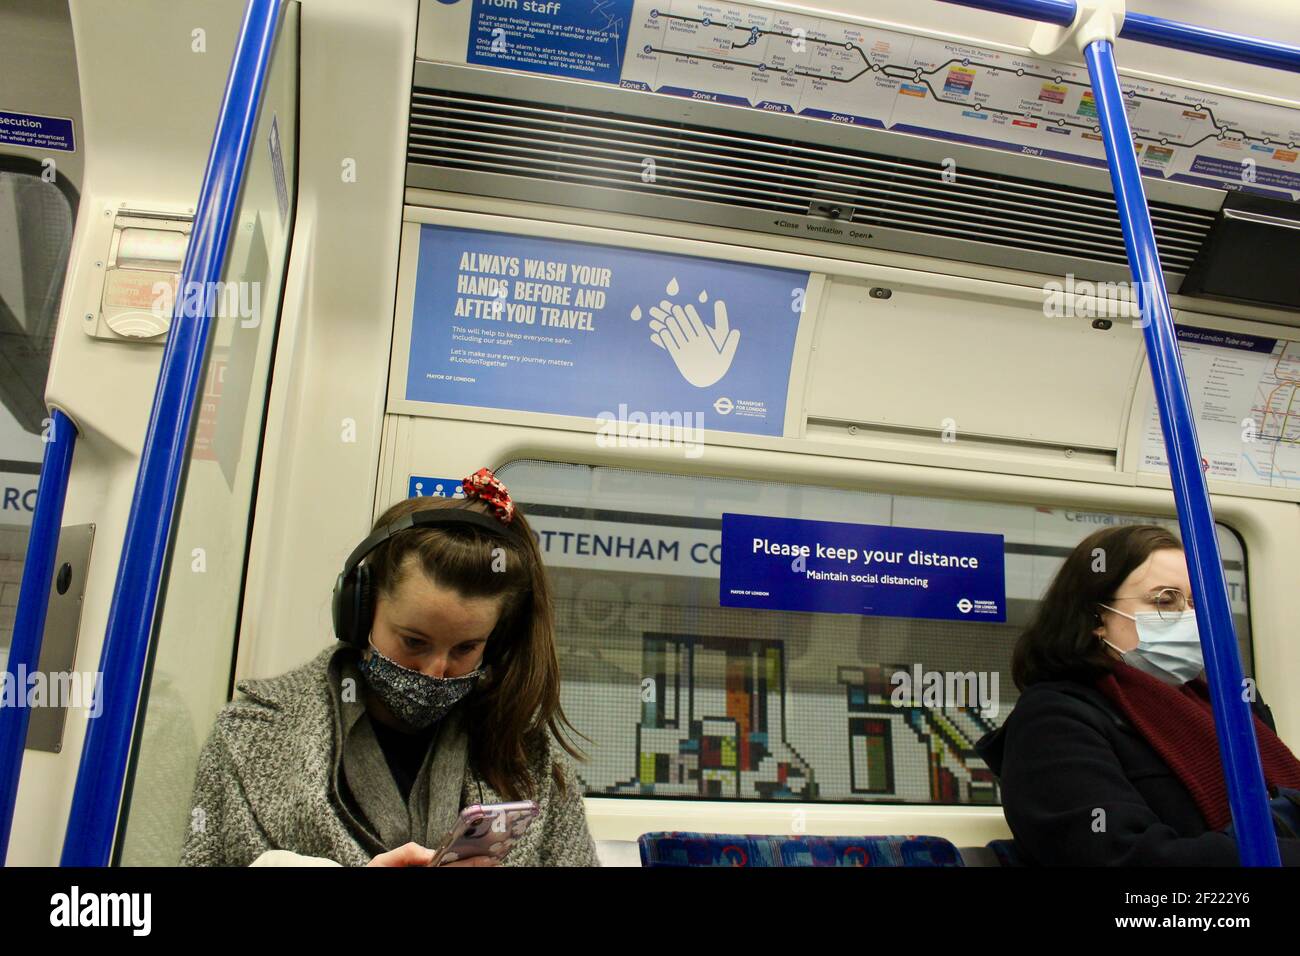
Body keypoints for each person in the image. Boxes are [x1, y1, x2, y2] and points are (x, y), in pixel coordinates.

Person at [181, 467, 600, 866]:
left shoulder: (530, 757)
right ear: (360, 612)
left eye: (465, 648)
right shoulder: (250, 739)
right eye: (414, 641)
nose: (435, 671)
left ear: (495, 642)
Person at [976, 523, 1300, 865]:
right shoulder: (1054, 722)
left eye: (1196, 603)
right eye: (1165, 599)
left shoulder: (1232, 705)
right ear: (1096, 617)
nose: (1190, 618)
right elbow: (1127, 857)